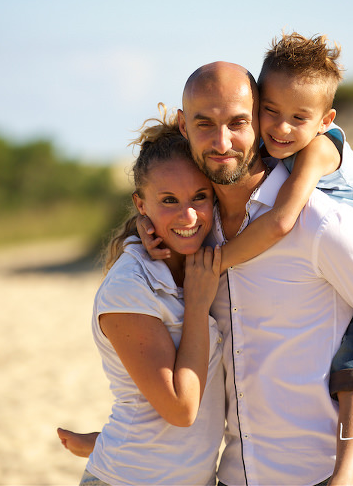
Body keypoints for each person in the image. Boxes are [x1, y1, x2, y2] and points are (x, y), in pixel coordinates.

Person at [141, 33, 353, 484]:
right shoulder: (196, 234)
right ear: (184, 127)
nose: (222, 140)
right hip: (239, 473)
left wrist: (336, 383)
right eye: (205, 124)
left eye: (236, 122)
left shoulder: (320, 222)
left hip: (329, 472)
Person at [56, 109, 225, 486]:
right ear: (141, 205)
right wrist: (197, 307)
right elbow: (180, 410)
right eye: (168, 200)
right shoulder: (128, 287)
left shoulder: (207, 257)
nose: (188, 215)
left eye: (200, 196)